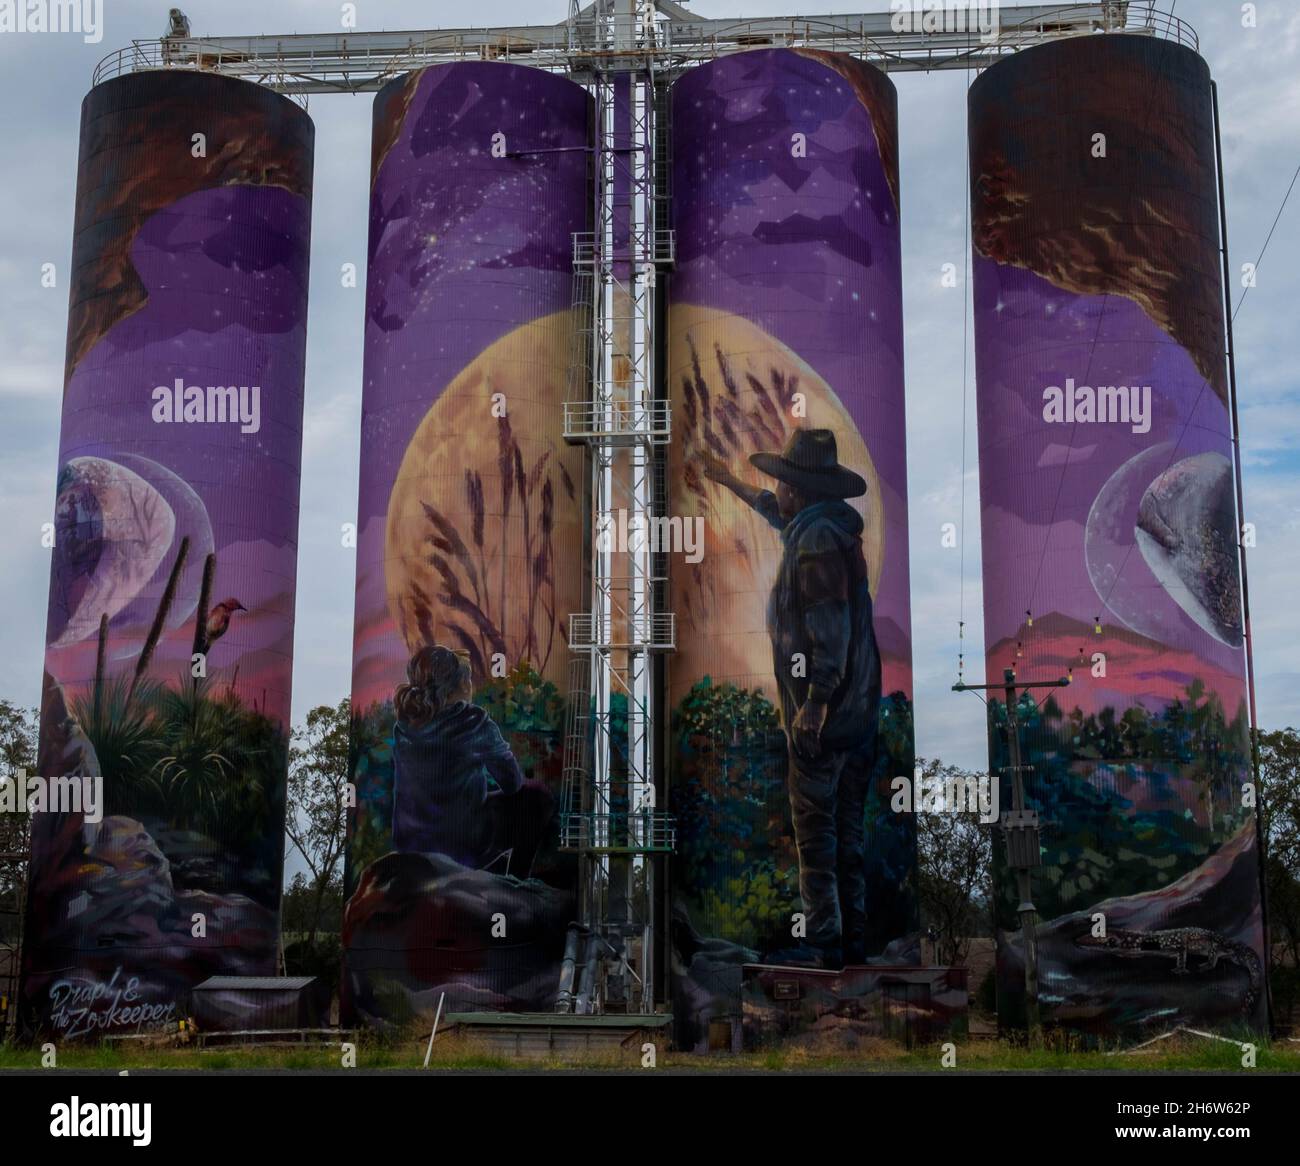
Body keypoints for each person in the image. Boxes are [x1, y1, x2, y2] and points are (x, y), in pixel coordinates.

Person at [704, 428, 882, 967]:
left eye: (782, 482)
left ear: (799, 491)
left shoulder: (815, 542)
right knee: (847, 839)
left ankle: (824, 946)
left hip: (824, 721)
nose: (775, 489)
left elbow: (829, 624)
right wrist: (728, 480)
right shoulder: (825, 529)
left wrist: (814, 703)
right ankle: (852, 947)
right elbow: (771, 512)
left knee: (815, 835)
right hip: (859, 717)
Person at [391, 645, 526, 869]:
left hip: (408, 845)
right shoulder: (473, 720)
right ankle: (513, 885)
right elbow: (512, 782)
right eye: (469, 679)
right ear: (461, 685)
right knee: (535, 797)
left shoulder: (403, 726)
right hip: (461, 847)